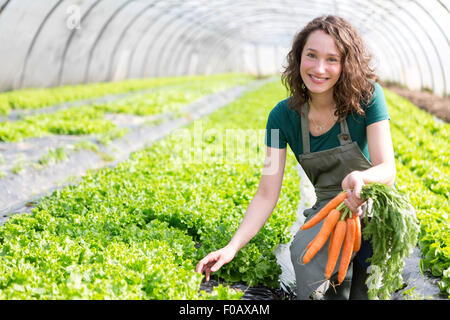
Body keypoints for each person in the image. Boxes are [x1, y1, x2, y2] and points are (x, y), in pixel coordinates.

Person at [195, 15, 396, 300]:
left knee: (368, 291)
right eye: (311, 56)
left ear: (346, 64)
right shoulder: (281, 117)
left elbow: (387, 168)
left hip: (375, 204)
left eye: (332, 59)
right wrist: (231, 247)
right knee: (303, 256)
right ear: (298, 58)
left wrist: (361, 179)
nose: (319, 68)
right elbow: (266, 194)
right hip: (330, 208)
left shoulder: (368, 97)